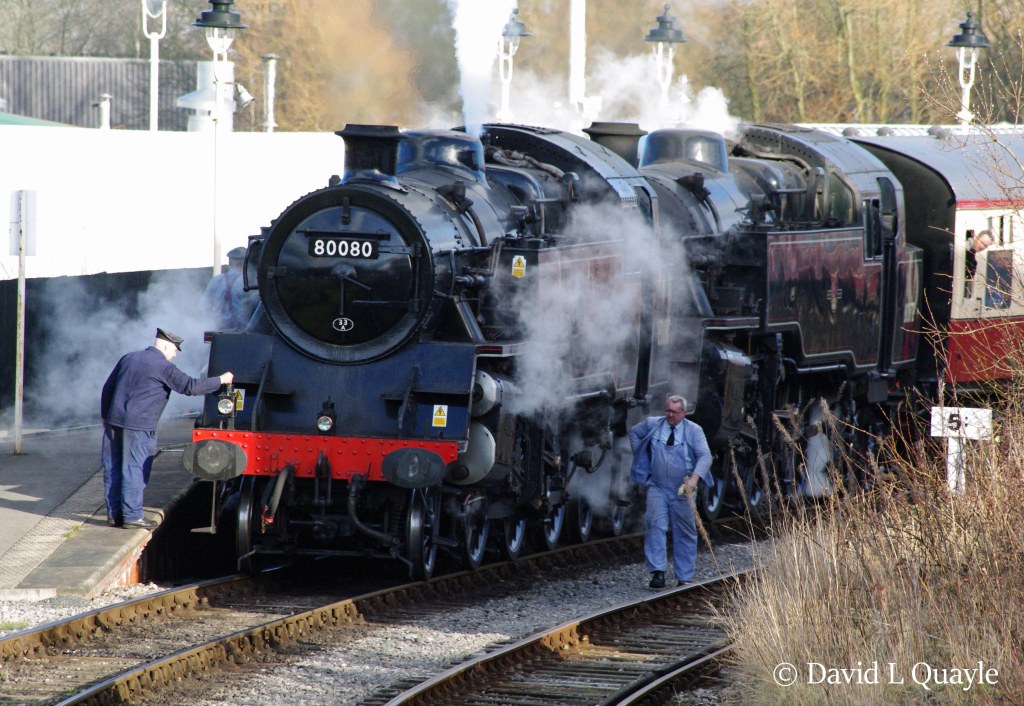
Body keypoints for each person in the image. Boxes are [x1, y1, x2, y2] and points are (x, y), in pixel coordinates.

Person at [100, 328, 233, 529]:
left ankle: (114, 514)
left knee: (113, 467)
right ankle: (132, 516)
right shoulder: (164, 367)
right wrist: (221, 380)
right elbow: (191, 386)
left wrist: (104, 415)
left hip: (113, 421)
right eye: (174, 350)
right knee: (134, 468)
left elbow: (107, 388)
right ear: (165, 346)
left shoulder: (129, 358)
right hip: (140, 426)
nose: (175, 355)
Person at [628, 394, 712, 589]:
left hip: (682, 489)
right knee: (655, 526)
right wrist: (641, 459)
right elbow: (634, 433)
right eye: (667, 411)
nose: (669, 415)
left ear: (683, 412)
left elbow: (705, 456)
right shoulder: (653, 424)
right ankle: (658, 572)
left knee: (685, 531)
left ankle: (685, 576)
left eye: (674, 412)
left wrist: (694, 479)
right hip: (657, 486)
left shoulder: (694, 431)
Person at [200, 246, 258, 330]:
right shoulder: (250, 281)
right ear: (246, 263)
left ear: (230, 263)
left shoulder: (216, 280)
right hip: (243, 331)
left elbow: (203, 306)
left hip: (219, 330)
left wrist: (214, 319)